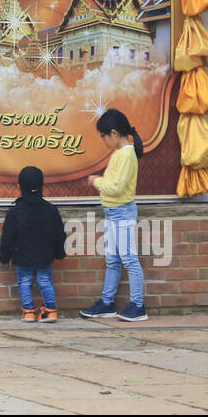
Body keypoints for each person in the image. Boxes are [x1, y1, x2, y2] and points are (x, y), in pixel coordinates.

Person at [80, 108, 148, 321]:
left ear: (114, 133)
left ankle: (138, 306)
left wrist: (97, 182)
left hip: (121, 213)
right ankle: (107, 303)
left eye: (103, 135)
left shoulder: (126, 154)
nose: (103, 140)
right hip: (113, 213)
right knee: (113, 260)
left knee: (129, 259)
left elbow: (117, 187)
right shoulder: (121, 153)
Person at [0, 166, 67, 322]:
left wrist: (5, 256)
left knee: (24, 281)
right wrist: (59, 253)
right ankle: (50, 311)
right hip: (45, 254)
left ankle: (28, 312)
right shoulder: (50, 210)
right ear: (42, 186)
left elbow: (8, 236)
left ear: (19, 186)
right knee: (45, 280)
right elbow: (59, 234)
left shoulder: (16, 211)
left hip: (22, 254)